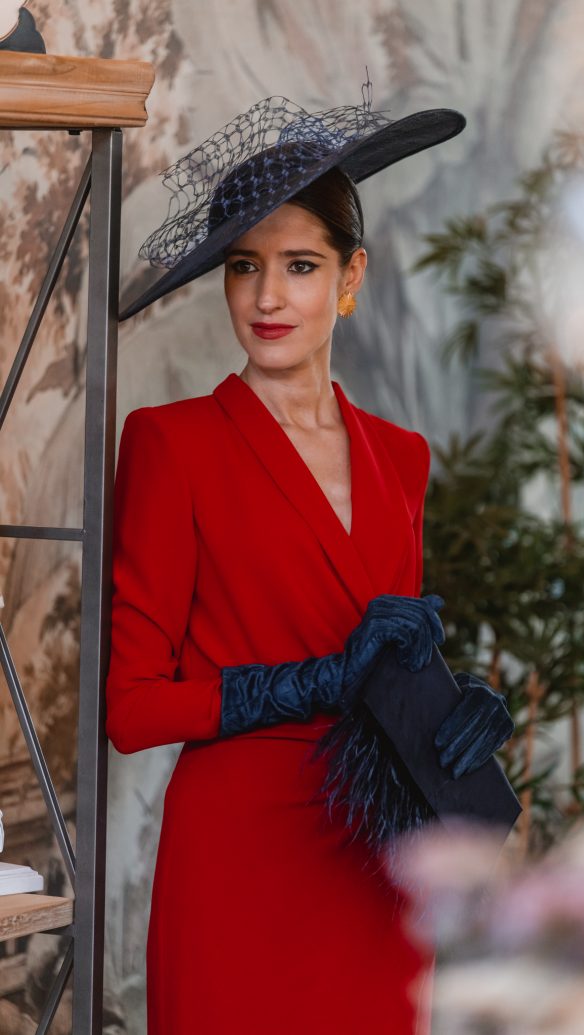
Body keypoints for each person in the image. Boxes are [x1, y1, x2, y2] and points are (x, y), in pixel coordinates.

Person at [105, 86, 513, 1034]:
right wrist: (320, 679)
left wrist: (461, 709)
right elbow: (131, 706)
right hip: (236, 853)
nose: (265, 297)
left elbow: (389, 667)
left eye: (298, 264)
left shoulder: (403, 457)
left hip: (373, 864)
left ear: (350, 275)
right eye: (244, 267)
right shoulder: (172, 444)